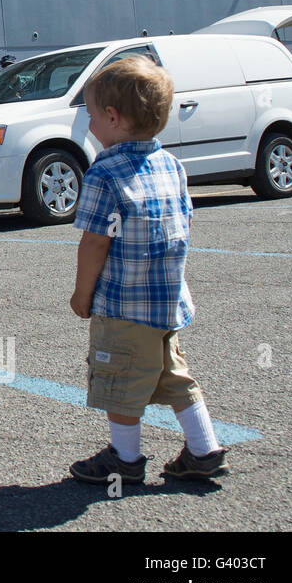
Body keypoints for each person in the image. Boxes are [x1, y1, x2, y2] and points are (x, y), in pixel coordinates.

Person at [68, 57, 230, 485]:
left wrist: (82, 294)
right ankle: (204, 449)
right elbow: (184, 224)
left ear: (112, 117)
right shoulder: (171, 165)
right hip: (166, 300)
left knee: (118, 378)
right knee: (174, 374)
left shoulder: (103, 173)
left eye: (90, 114)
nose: (88, 123)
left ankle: (124, 459)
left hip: (124, 303)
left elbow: (95, 241)